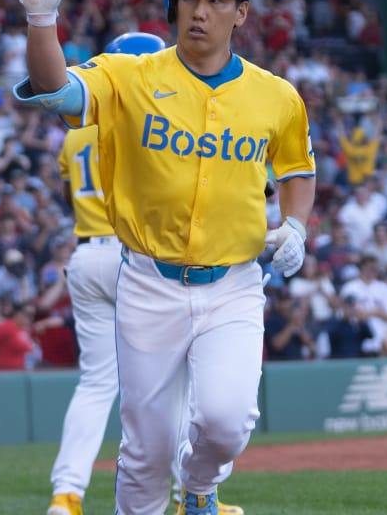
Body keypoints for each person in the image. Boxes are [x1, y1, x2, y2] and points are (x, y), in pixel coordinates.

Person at [14, 0, 314, 515]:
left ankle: (199, 488)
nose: (200, 11)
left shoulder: (277, 97)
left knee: (227, 423)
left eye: (217, 0)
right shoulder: (129, 75)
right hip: (149, 282)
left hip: (233, 283)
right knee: (146, 451)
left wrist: (296, 226)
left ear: (241, 12)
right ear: (173, 4)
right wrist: (41, 19)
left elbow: (299, 169)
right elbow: (55, 87)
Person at [47, 30, 256, 515]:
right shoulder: (153, 114)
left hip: (86, 252)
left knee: (96, 382)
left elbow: (69, 194)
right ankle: (191, 494)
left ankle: (66, 494)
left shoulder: (78, 129)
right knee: (182, 377)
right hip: (138, 259)